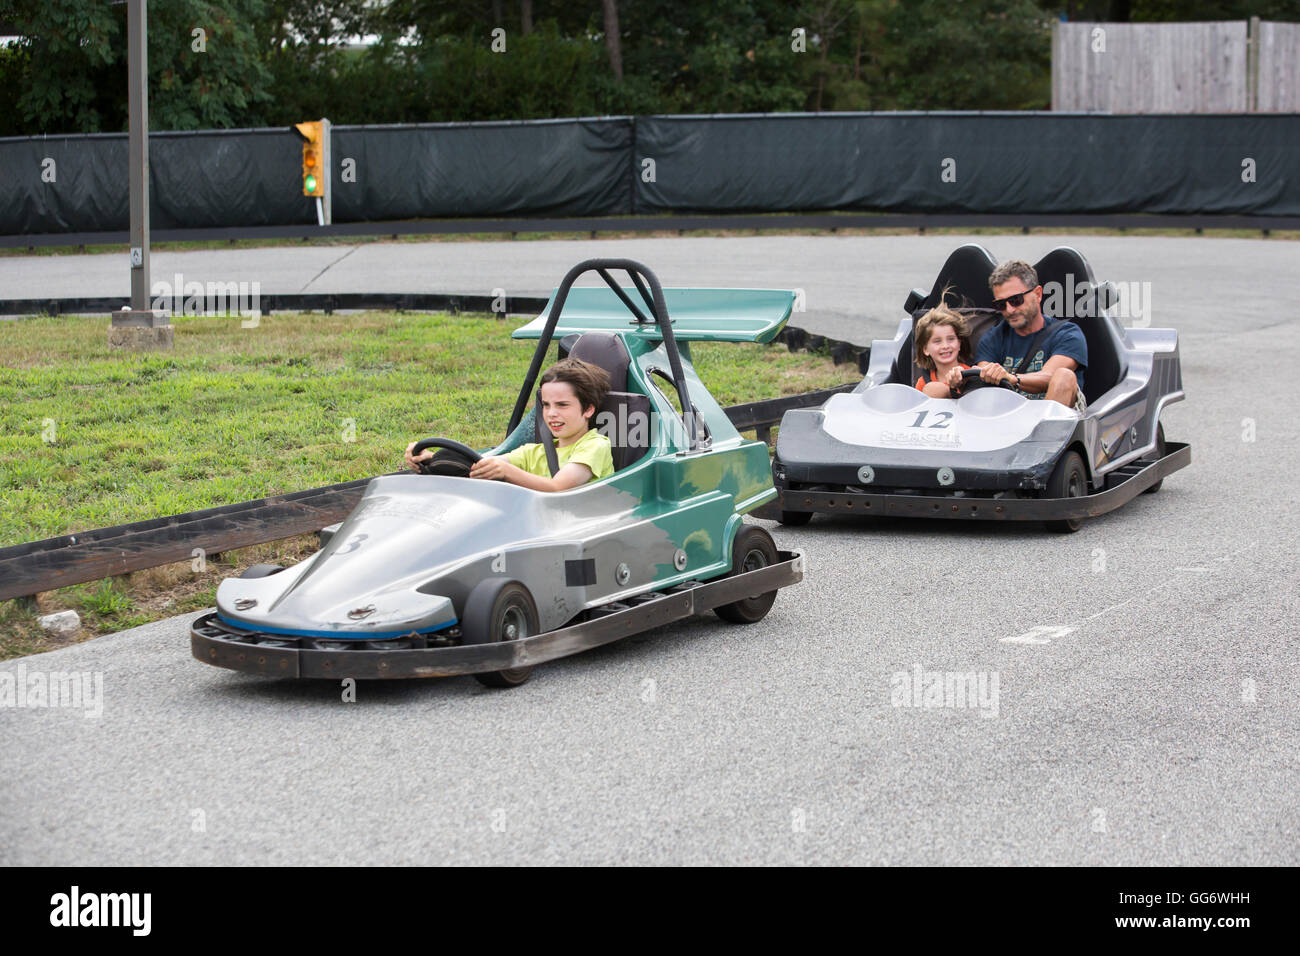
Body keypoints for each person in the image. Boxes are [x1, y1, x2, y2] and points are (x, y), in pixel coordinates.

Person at [404, 358, 615, 491]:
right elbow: (479, 464)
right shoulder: (534, 453)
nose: (551, 414)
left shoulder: (595, 445)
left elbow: (557, 488)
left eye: (562, 405)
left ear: (588, 409)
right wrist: (431, 458)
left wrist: (506, 471)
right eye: (546, 405)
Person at [959, 259, 1088, 412]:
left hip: (1059, 424)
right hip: (1007, 418)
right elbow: (982, 375)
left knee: (1064, 376)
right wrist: (958, 379)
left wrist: (1013, 379)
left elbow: (1049, 376)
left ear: (1038, 294)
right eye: (1001, 304)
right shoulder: (993, 338)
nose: (1009, 310)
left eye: (1015, 300)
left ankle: (1044, 434)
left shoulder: (1067, 334)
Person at [913, 305, 973, 398]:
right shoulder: (922, 383)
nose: (945, 346)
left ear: (959, 344)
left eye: (950, 339)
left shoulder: (972, 375)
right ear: (925, 349)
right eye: (937, 341)